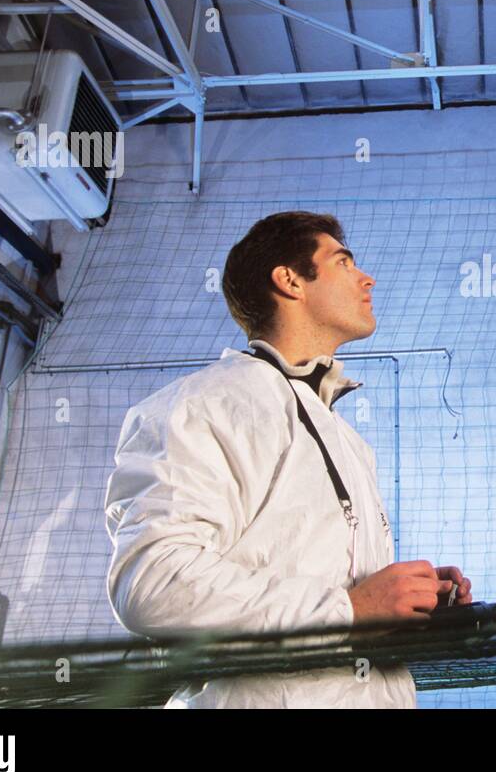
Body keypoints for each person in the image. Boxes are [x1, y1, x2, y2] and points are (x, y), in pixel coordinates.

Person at [103, 211, 471, 708]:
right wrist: (349, 610)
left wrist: (411, 605)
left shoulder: (348, 440)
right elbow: (155, 583)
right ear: (290, 279)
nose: (368, 278)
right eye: (343, 262)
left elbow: (337, 603)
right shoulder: (203, 404)